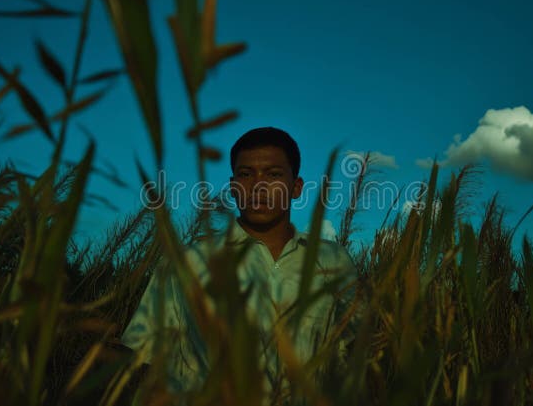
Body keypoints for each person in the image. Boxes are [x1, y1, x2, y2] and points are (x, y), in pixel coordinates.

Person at [120, 126, 359, 401]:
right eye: (246, 175)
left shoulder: (334, 261)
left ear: (296, 188)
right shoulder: (187, 263)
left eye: (273, 175)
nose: (258, 186)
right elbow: (144, 364)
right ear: (234, 188)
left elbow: (354, 358)